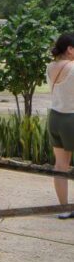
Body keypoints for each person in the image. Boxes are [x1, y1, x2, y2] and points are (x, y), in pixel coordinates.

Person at [47, 33, 74, 219]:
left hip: (55, 117)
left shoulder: (50, 67)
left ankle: (64, 207)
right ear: (70, 49)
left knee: (60, 165)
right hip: (71, 118)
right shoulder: (72, 67)